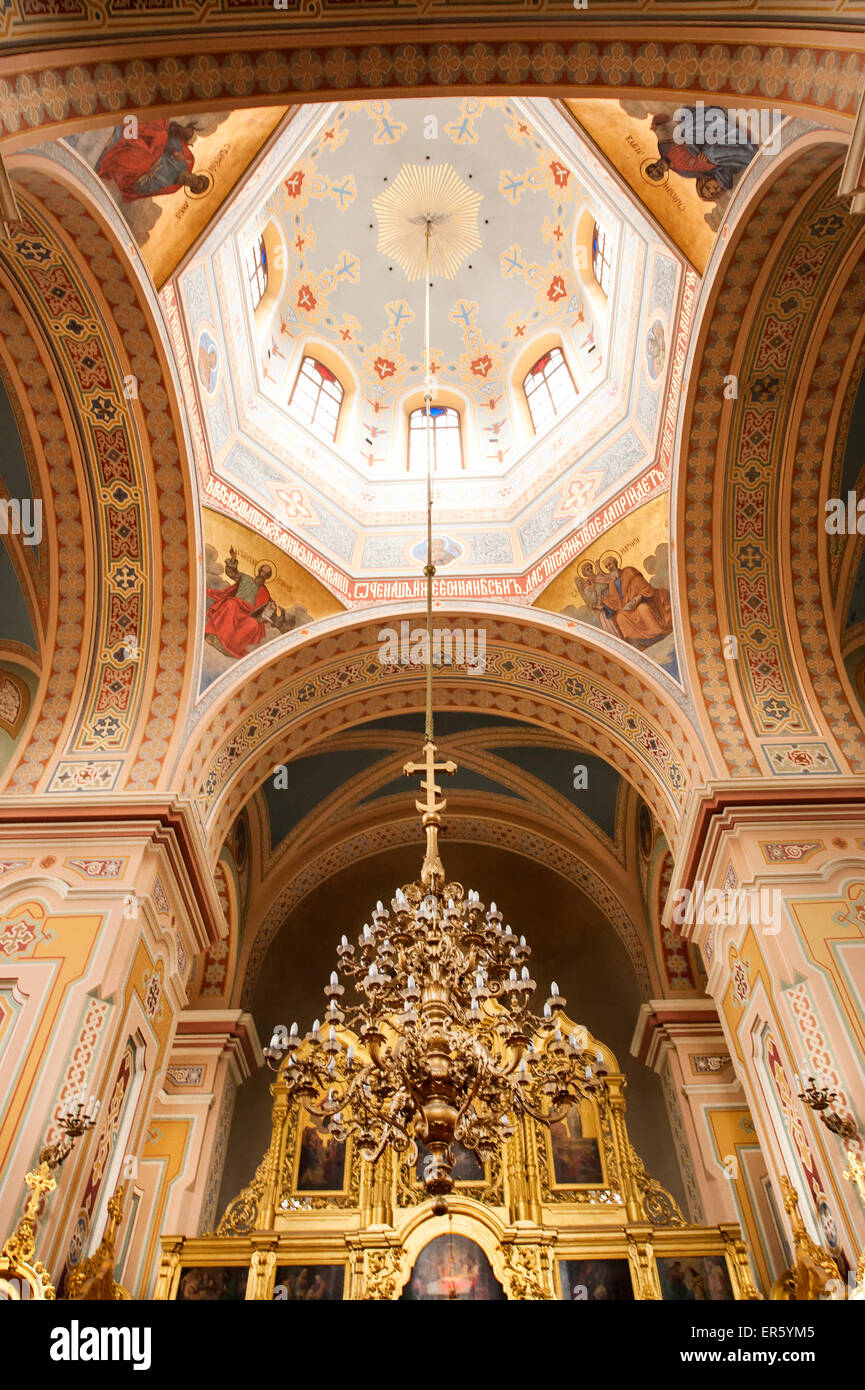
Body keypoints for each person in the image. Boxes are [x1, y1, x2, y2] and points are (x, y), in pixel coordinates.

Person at [643, 107, 757, 203]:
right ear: (663, 174)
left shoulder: (662, 147)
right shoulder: (683, 172)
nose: (658, 168)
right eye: (658, 172)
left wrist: (657, 125)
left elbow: (664, 120)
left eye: (654, 167)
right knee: (710, 153)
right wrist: (702, 163)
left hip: (697, 131)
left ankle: (726, 129)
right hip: (704, 147)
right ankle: (750, 155)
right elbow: (703, 169)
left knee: (688, 131)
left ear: (654, 162)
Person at [96, 119, 210, 202]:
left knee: (144, 161)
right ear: (197, 175)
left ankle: (112, 148)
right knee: (161, 135)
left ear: (190, 188)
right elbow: (172, 140)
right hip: (158, 150)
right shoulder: (189, 161)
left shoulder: (172, 187)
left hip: (146, 168)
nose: (193, 182)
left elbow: (142, 188)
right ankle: (123, 131)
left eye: (194, 185)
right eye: (197, 180)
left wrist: (150, 175)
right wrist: (174, 151)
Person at [205, 549, 276, 660]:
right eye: (263, 571)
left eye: (267, 574)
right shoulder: (246, 578)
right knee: (230, 605)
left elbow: (263, 613)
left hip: (249, 613)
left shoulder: (265, 593)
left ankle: (231, 648)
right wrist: (233, 559)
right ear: (259, 571)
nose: (264, 574)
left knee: (253, 624)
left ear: (268, 577)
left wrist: (270, 609)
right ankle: (214, 637)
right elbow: (232, 573)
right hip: (236, 605)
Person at [595, 551, 672, 649]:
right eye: (606, 567)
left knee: (643, 609)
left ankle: (658, 632)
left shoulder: (629, 571)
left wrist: (636, 600)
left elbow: (644, 587)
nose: (609, 568)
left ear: (615, 563)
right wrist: (603, 605)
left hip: (642, 601)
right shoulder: (612, 583)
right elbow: (614, 600)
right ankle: (640, 642)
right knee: (620, 617)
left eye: (609, 564)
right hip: (628, 608)